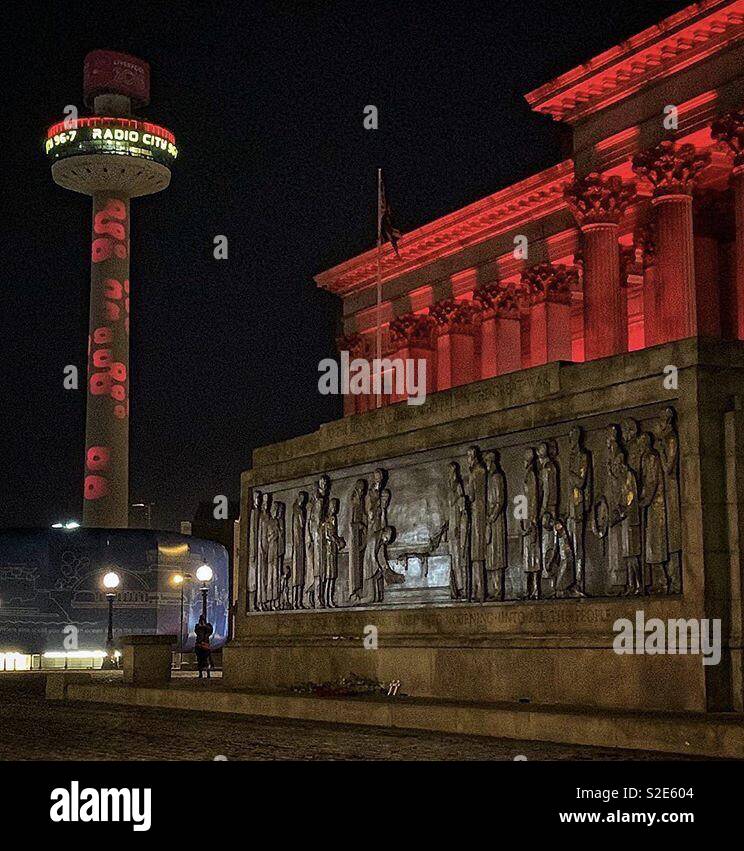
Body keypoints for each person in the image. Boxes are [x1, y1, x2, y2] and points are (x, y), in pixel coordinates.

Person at [194, 614, 214, 679]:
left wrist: (204, 626)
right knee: (200, 660)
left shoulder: (208, 626)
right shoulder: (197, 626)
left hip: (205, 645)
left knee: (206, 660)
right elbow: (196, 630)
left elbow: (210, 630)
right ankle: (200, 674)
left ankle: (208, 674)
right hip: (199, 645)